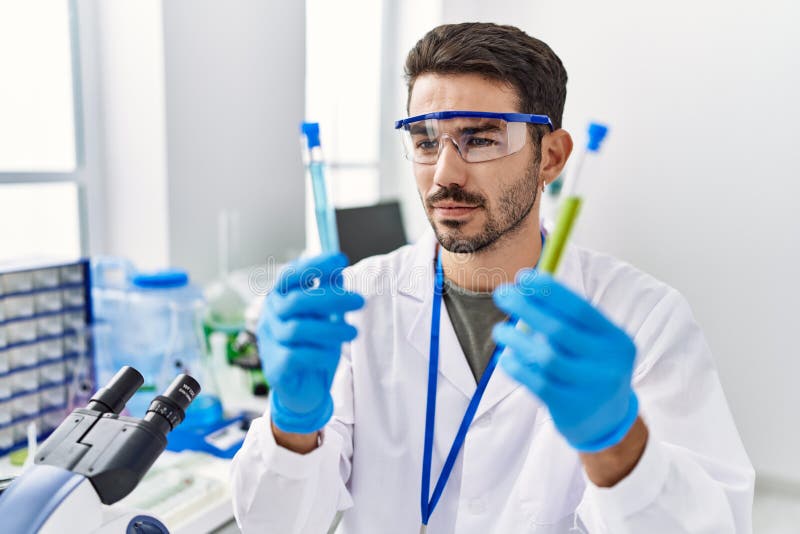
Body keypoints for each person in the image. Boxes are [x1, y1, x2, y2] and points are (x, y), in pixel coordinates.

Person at [231, 22, 754, 533]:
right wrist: (291, 424)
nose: (445, 175)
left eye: (480, 140)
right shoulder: (355, 305)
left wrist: (617, 442)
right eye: (425, 141)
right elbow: (273, 524)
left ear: (550, 157)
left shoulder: (644, 318)